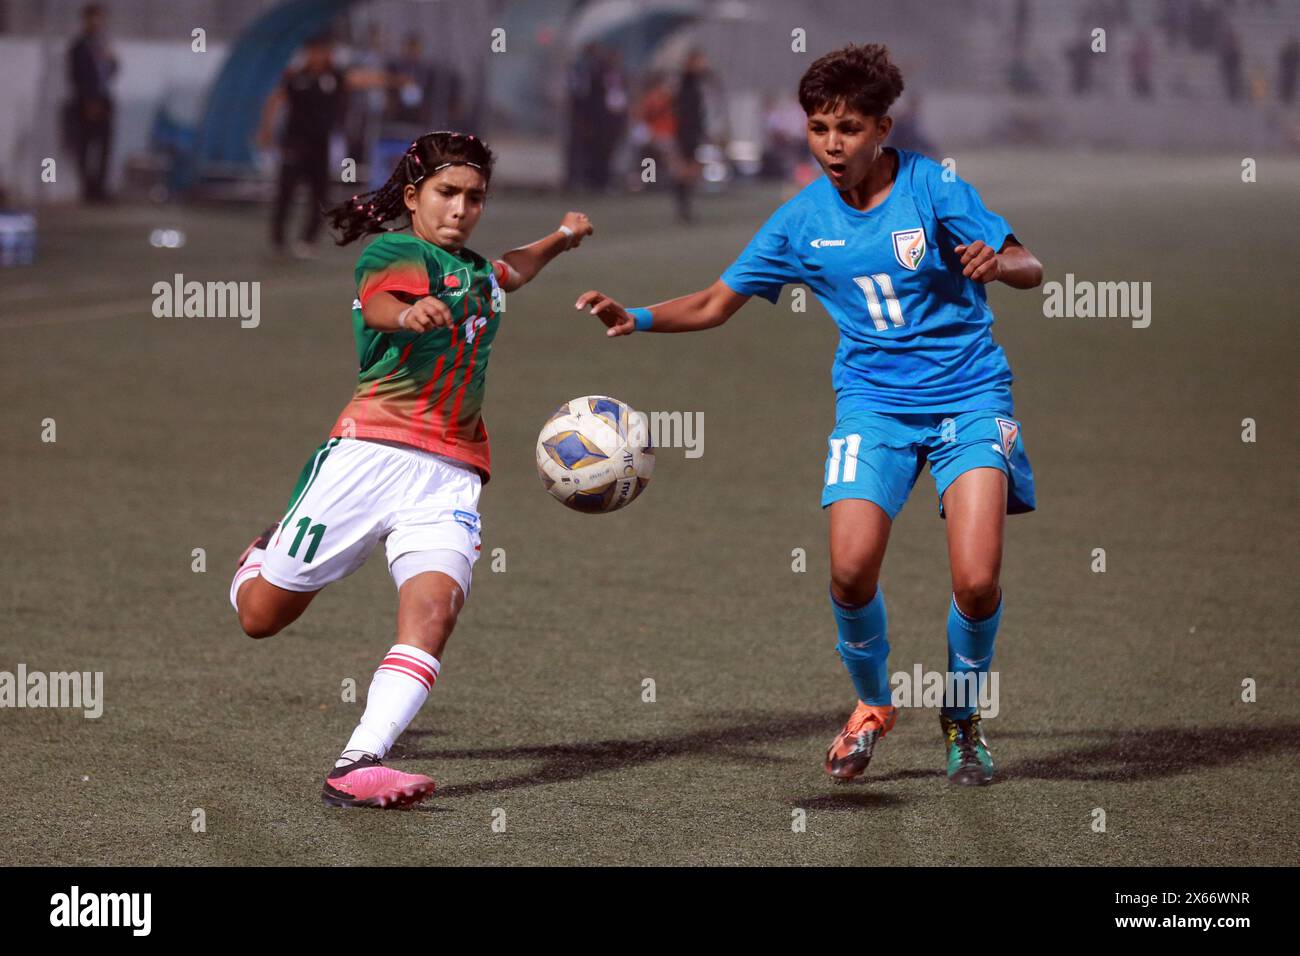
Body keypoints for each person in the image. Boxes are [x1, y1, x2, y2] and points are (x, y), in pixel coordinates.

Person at [574, 44, 1043, 787]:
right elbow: (713, 302)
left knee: (977, 581)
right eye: (820, 127)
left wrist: (998, 264)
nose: (831, 143)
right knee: (851, 570)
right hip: (874, 406)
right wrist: (634, 315)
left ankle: (961, 716)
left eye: (849, 128)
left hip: (969, 399)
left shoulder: (935, 188)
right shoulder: (800, 222)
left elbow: (1029, 264)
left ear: (883, 128)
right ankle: (872, 705)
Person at [229, 131, 594, 808]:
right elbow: (379, 304)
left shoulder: (478, 273)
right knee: (260, 616)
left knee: (432, 613)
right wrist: (409, 314)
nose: (461, 208)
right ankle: (261, 553)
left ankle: (358, 761)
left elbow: (511, 270)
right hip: (368, 457)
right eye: (447, 194)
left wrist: (562, 238)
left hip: (452, 474)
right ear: (412, 197)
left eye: (474, 197)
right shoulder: (394, 251)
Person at [256, 32, 396, 257]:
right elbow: (275, 100)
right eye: (316, 51)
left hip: (320, 145)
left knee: (321, 195)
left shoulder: (335, 77)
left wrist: (393, 80)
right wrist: (266, 131)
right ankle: (278, 239)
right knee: (286, 191)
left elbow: (360, 79)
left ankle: (308, 239)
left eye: (325, 51)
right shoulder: (295, 77)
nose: (320, 56)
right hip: (294, 144)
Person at [65, 3, 118, 203]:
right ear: (86, 20)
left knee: (104, 146)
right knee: (85, 148)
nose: (98, 22)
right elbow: (77, 76)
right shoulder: (79, 46)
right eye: (95, 18)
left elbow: (108, 73)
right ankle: (87, 189)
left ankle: (100, 188)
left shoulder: (102, 45)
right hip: (86, 102)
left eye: (101, 18)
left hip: (104, 100)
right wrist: (88, 100)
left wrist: (112, 60)